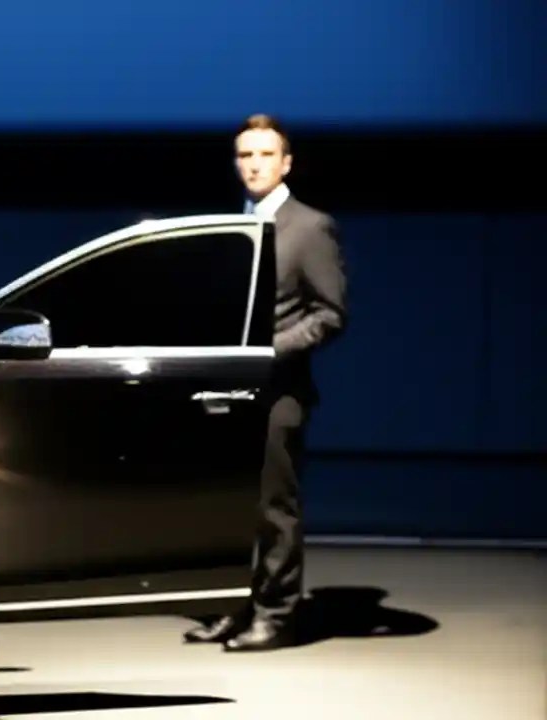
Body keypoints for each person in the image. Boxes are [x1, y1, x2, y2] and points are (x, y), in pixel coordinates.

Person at [184, 113, 348, 651]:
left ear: (286, 162)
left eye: (263, 155)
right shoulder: (237, 224)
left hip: (278, 392)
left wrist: (266, 354)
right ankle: (236, 607)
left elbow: (329, 314)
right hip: (226, 394)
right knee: (225, 507)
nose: (253, 164)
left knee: (274, 509)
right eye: (245, 155)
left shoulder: (310, 225)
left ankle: (276, 615)